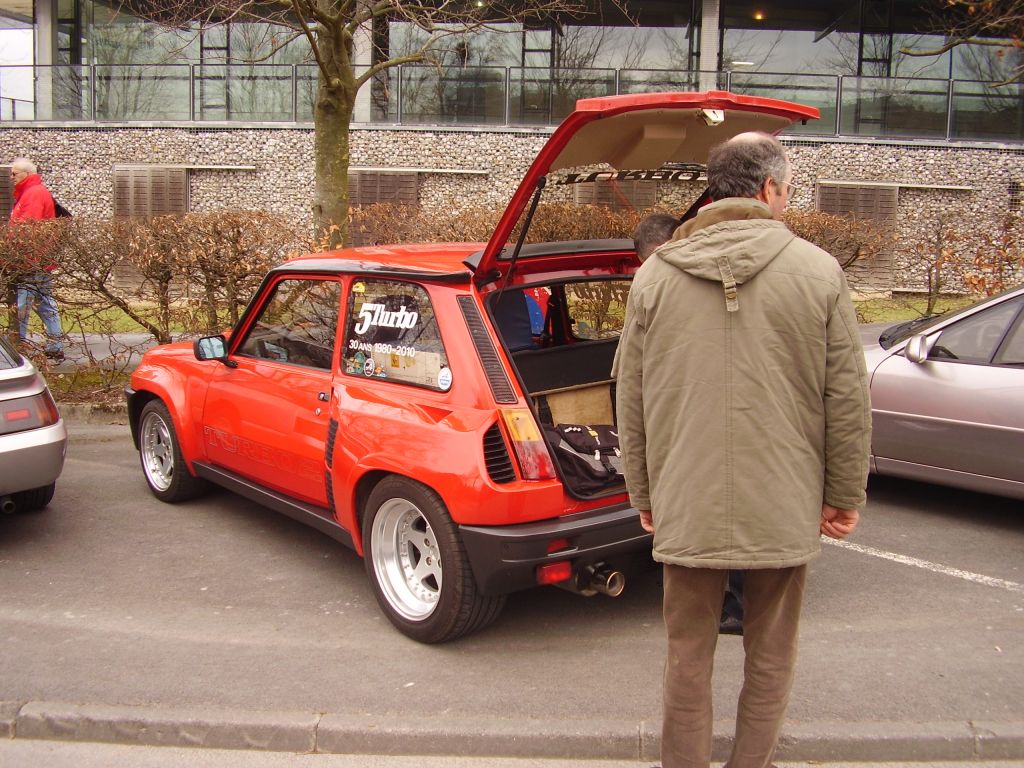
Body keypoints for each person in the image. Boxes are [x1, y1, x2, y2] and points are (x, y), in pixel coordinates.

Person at [615, 132, 871, 768]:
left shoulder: (654, 278)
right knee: (772, 653)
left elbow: (632, 398)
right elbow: (846, 398)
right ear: (769, 189)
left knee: (686, 654)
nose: (787, 199)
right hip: (783, 498)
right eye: (787, 188)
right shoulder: (818, 272)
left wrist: (644, 494)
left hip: (688, 498)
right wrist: (843, 496)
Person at [634, 211, 748, 637]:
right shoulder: (712, 279)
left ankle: (731, 604)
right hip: (716, 422)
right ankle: (730, 602)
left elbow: (634, 385)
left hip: (695, 425)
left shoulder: (665, 284)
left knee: (716, 516)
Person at [9, 158, 63, 361]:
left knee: (22, 304)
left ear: (27, 174)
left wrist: (16, 257)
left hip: (32, 261)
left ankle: (17, 346)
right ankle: (55, 344)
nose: (11, 177)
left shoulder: (33, 194)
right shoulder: (30, 192)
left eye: (14, 173)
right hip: (38, 260)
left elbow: (26, 230)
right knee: (44, 303)